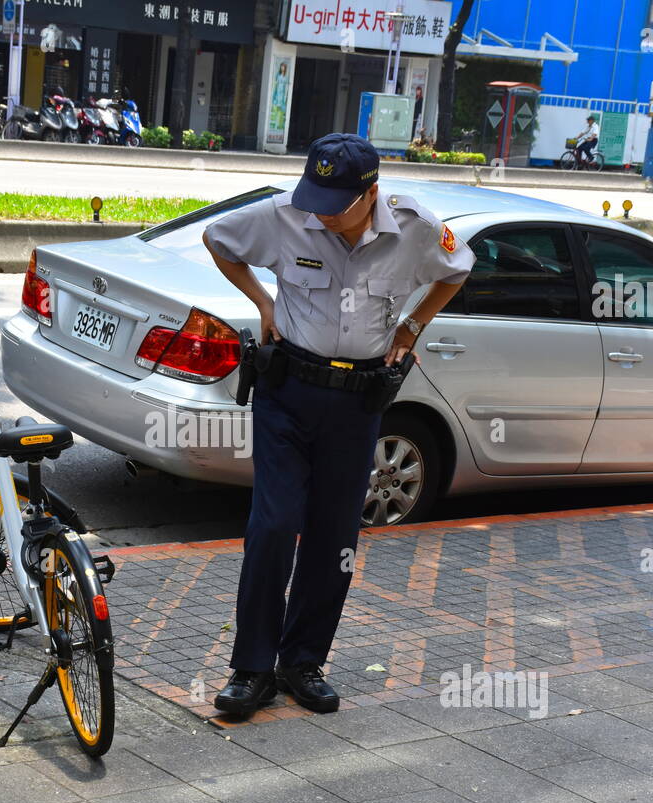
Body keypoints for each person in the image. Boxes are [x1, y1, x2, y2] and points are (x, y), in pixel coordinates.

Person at [201, 132, 474, 717]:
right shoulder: (285, 217)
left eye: (335, 201)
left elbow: (457, 268)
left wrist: (412, 327)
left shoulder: (415, 227)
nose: (319, 211)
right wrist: (262, 302)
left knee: (334, 537)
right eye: (315, 195)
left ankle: (302, 662)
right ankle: (251, 669)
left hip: (357, 404)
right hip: (288, 393)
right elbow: (217, 239)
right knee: (272, 526)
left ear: (369, 193)